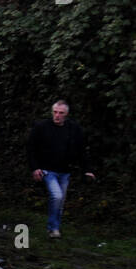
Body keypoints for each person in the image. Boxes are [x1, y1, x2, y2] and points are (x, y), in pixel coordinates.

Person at [26, 100, 95, 238]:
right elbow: (31, 148)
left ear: (66, 114)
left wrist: (87, 169)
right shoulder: (42, 127)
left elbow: (82, 151)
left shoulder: (73, 129)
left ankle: (54, 227)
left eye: (61, 113)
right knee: (56, 195)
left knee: (60, 200)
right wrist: (35, 168)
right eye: (55, 112)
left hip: (65, 171)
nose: (57, 115)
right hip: (47, 170)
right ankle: (53, 229)